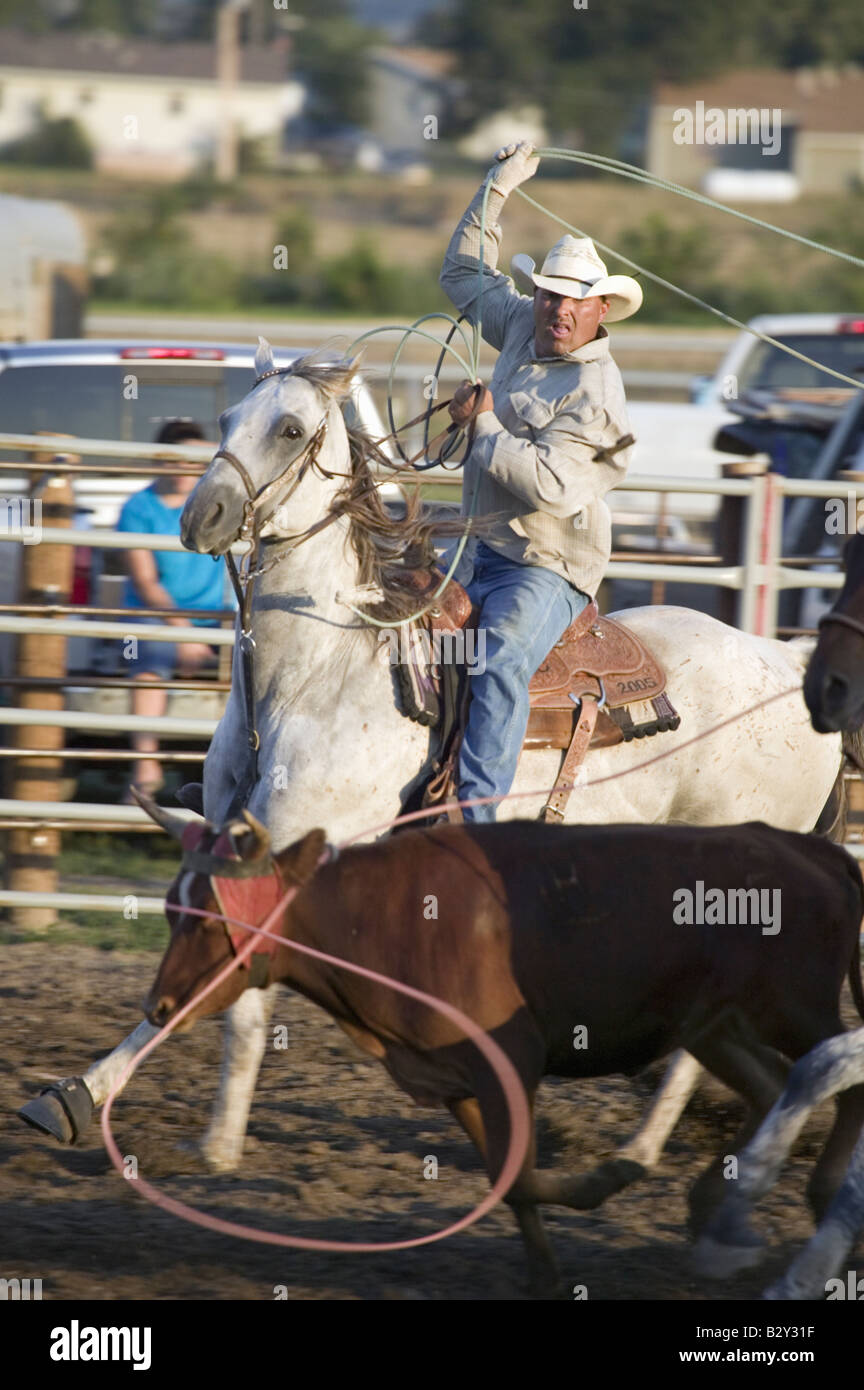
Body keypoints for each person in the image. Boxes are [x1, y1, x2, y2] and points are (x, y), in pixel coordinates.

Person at [439, 140, 643, 821]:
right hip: (478, 544)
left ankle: (479, 823)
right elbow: (464, 274)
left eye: (574, 302)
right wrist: (498, 186)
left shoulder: (596, 391)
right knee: (397, 619)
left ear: (600, 311)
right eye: (550, 296)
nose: (558, 311)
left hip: (545, 563)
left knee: (496, 662)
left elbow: (555, 486)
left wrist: (487, 426)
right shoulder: (525, 328)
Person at [116, 420, 226, 799]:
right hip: (158, 615)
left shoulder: (214, 498)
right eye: (174, 459)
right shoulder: (137, 508)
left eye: (193, 459)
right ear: (158, 461)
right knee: (149, 656)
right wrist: (185, 633)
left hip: (217, 614)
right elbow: (146, 584)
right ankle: (145, 768)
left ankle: (236, 770)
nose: (184, 469)